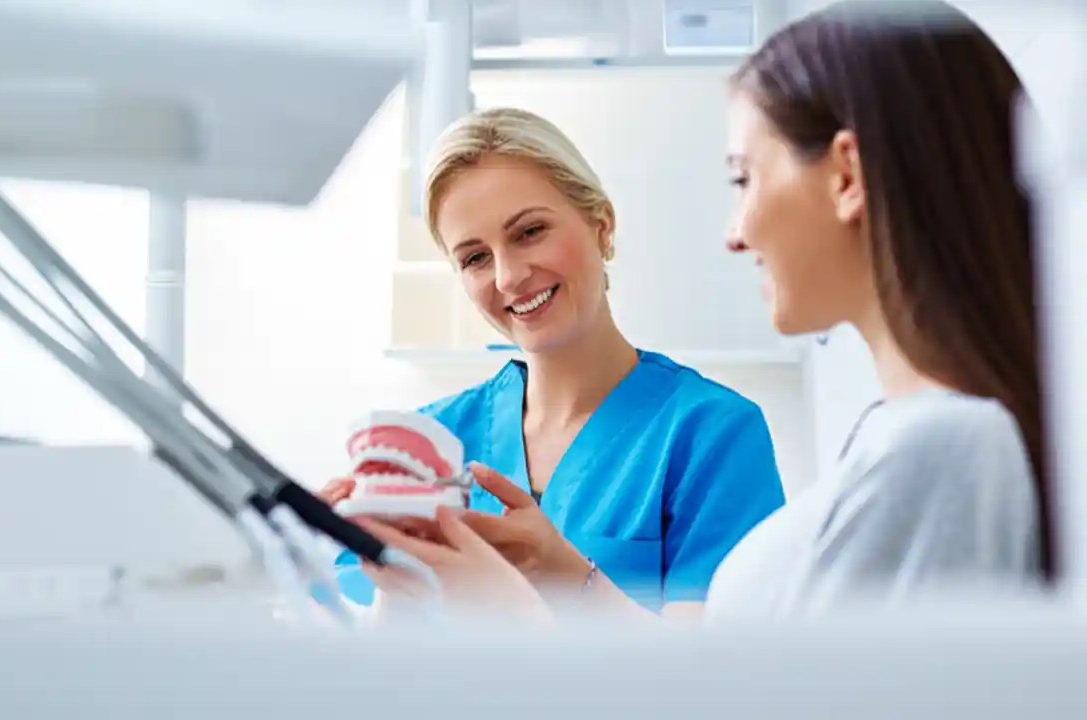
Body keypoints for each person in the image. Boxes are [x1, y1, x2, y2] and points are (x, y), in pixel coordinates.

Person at [353, 0, 1052, 621]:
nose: (735, 230)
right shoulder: (905, 445)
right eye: (473, 257)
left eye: (744, 177)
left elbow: (723, 695)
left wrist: (519, 605)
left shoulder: (940, 447)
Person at [324, 106, 786, 613]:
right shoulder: (427, 447)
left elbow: (717, 679)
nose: (508, 276)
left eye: (529, 232)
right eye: (475, 258)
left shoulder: (712, 435)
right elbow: (360, 655)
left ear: (601, 226)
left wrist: (569, 576)